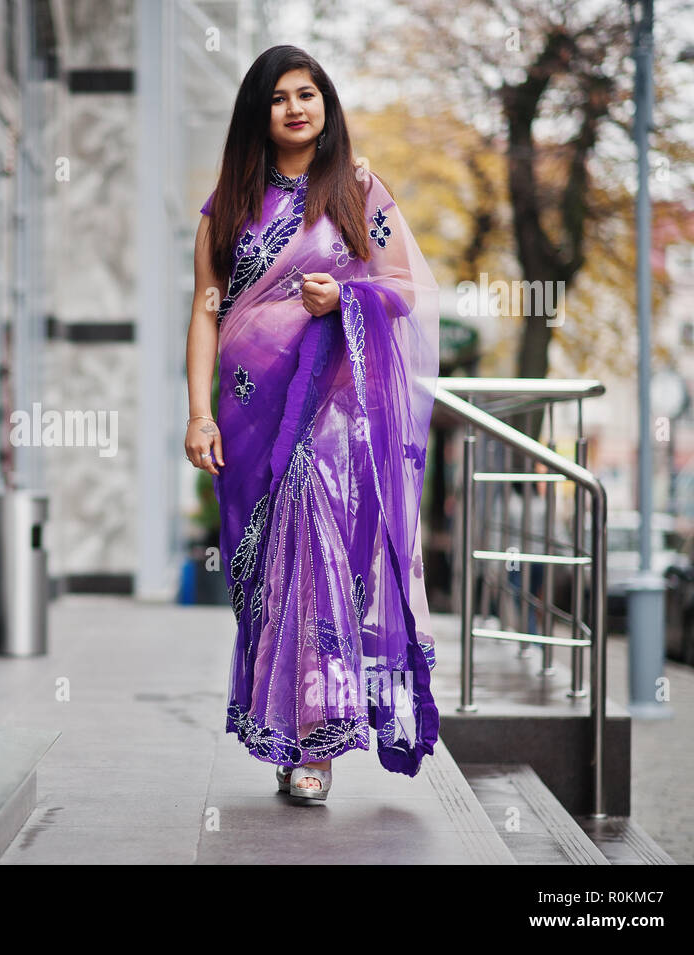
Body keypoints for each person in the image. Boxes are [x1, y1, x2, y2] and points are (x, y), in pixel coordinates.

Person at [183, 45, 440, 801]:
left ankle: (314, 747)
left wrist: (346, 298)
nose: (295, 108)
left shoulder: (358, 192)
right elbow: (204, 316)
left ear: (326, 104)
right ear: (256, 113)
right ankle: (283, 723)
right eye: (278, 97)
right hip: (245, 410)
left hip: (330, 416)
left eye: (308, 93)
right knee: (264, 576)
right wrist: (199, 414)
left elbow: (405, 288)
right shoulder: (225, 207)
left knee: (319, 563)